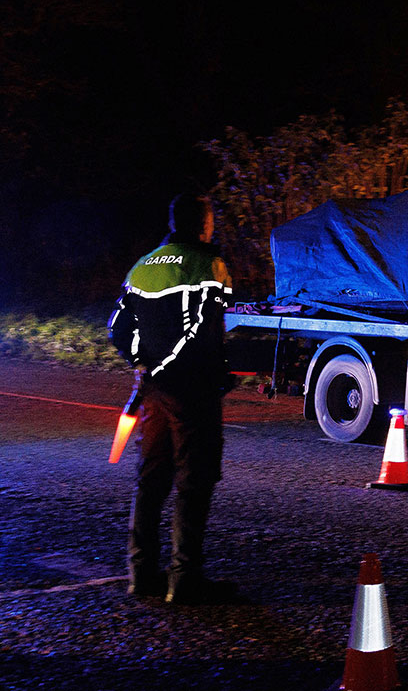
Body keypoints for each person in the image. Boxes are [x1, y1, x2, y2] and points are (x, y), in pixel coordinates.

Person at [108, 193, 236, 604]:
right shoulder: (210, 265)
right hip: (192, 388)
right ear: (204, 224)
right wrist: (209, 371)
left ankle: (140, 573)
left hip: (154, 390)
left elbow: (117, 328)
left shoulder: (143, 266)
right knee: (194, 481)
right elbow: (207, 327)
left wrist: (143, 365)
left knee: (151, 477)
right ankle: (184, 580)